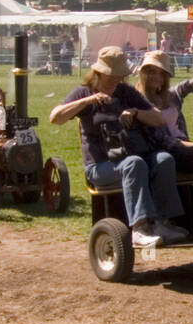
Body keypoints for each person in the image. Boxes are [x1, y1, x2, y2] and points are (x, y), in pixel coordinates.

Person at [50, 46, 185, 247]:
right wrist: (88, 101)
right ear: (98, 72)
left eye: (119, 75)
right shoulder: (83, 92)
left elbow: (158, 119)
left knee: (164, 160)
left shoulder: (126, 93)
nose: (114, 79)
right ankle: (140, 228)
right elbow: (55, 117)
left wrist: (135, 112)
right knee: (134, 163)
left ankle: (162, 222)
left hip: (132, 156)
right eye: (110, 75)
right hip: (101, 166)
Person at [134, 51, 193, 217]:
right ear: (143, 73)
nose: (157, 77)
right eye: (151, 72)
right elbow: (162, 140)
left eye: (161, 73)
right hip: (165, 152)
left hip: (182, 147)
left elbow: (182, 88)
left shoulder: (168, 96)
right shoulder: (138, 100)